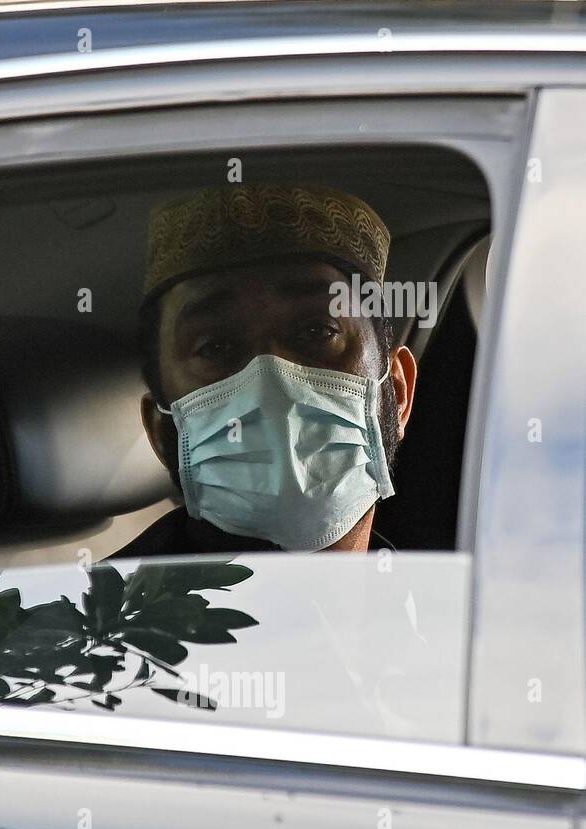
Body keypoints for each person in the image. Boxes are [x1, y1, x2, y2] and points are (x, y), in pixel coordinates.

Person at [118, 183, 418, 557]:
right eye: (216, 347)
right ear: (162, 433)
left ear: (400, 392)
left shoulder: (464, 607)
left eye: (316, 331)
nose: (273, 388)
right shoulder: (96, 614)